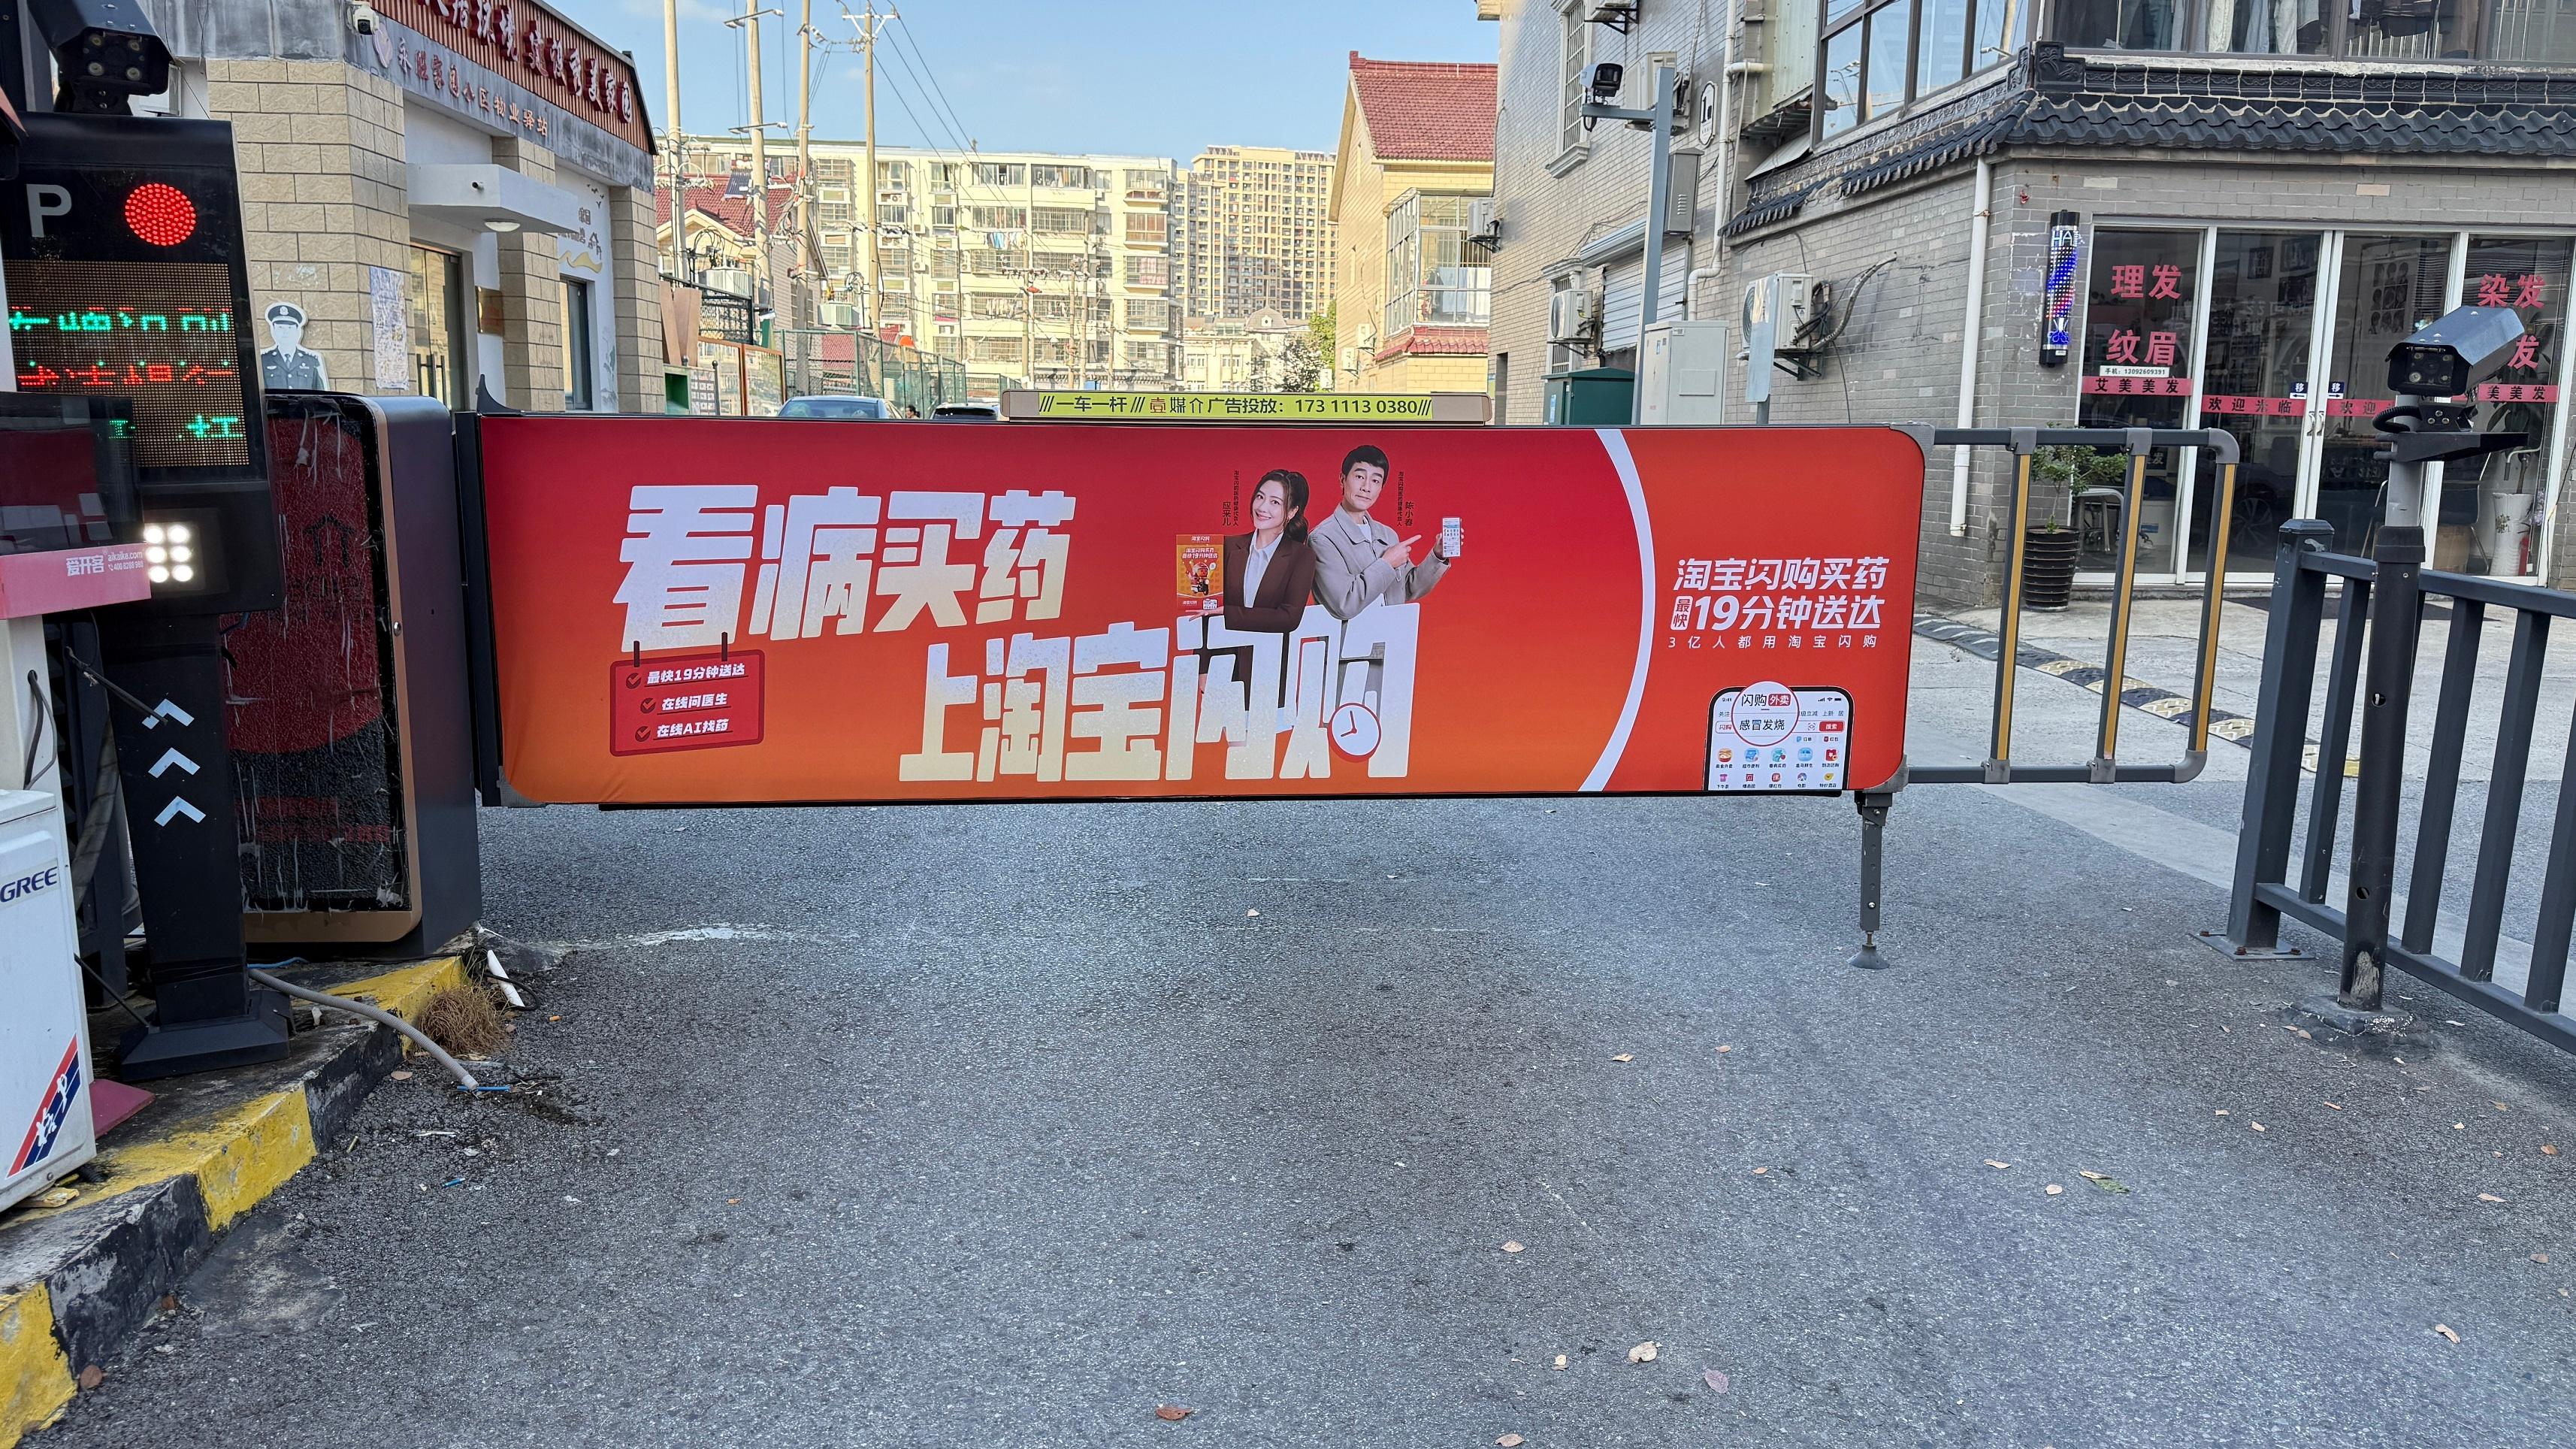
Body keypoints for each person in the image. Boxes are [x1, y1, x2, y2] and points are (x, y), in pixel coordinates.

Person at [1208, 469, 1318, 709]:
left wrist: (1228, 613)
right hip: (1224, 665)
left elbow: (1288, 618)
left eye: (1275, 502)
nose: (1262, 507)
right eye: (1260, 497)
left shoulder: (1301, 557)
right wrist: (1203, 668)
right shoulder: (1227, 547)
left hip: (1269, 669)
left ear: (1292, 512)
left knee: (1262, 732)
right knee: (1226, 732)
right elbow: (1205, 612)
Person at [1307, 443, 1453, 622]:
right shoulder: (1322, 539)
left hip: (1393, 635)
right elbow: (1344, 605)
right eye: (1359, 477)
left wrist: (1437, 556)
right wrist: (1387, 563)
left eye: (1376, 481)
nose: (1366, 487)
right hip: (1351, 639)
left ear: (1381, 488)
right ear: (1342, 479)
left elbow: (1408, 588)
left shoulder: (1388, 535)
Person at [257, 302, 328, 390]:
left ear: (297, 330)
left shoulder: (310, 361)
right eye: (280, 328)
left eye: (290, 328)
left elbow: (320, 394)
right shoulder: (264, 361)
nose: (285, 332)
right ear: (274, 330)